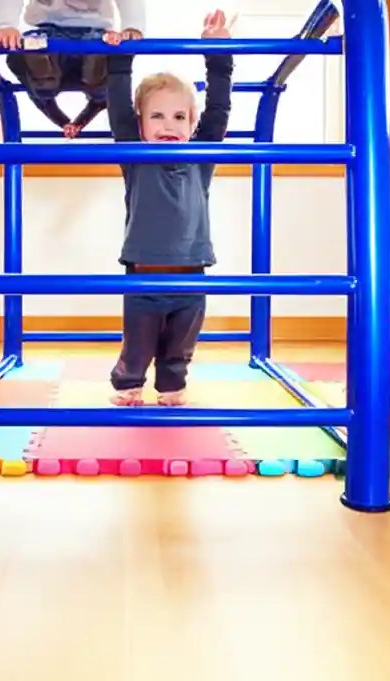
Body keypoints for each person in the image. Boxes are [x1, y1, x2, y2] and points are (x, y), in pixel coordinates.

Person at [105, 10, 234, 407]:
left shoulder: (200, 156)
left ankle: (172, 386)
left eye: (179, 116)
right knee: (138, 342)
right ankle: (129, 382)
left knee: (181, 343)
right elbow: (118, 111)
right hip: (143, 275)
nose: (168, 124)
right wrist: (120, 58)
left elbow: (219, 110)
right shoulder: (135, 156)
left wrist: (218, 55)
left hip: (192, 274)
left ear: (192, 124)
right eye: (156, 115)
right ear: (140, 124)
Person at [0, 0, 144, 137]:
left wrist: (133, 27)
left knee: (105, 67)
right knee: (30, 54)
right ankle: (44, 71)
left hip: (95, 30)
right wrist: (6, 25)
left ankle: (48, 74)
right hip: (47, 27)